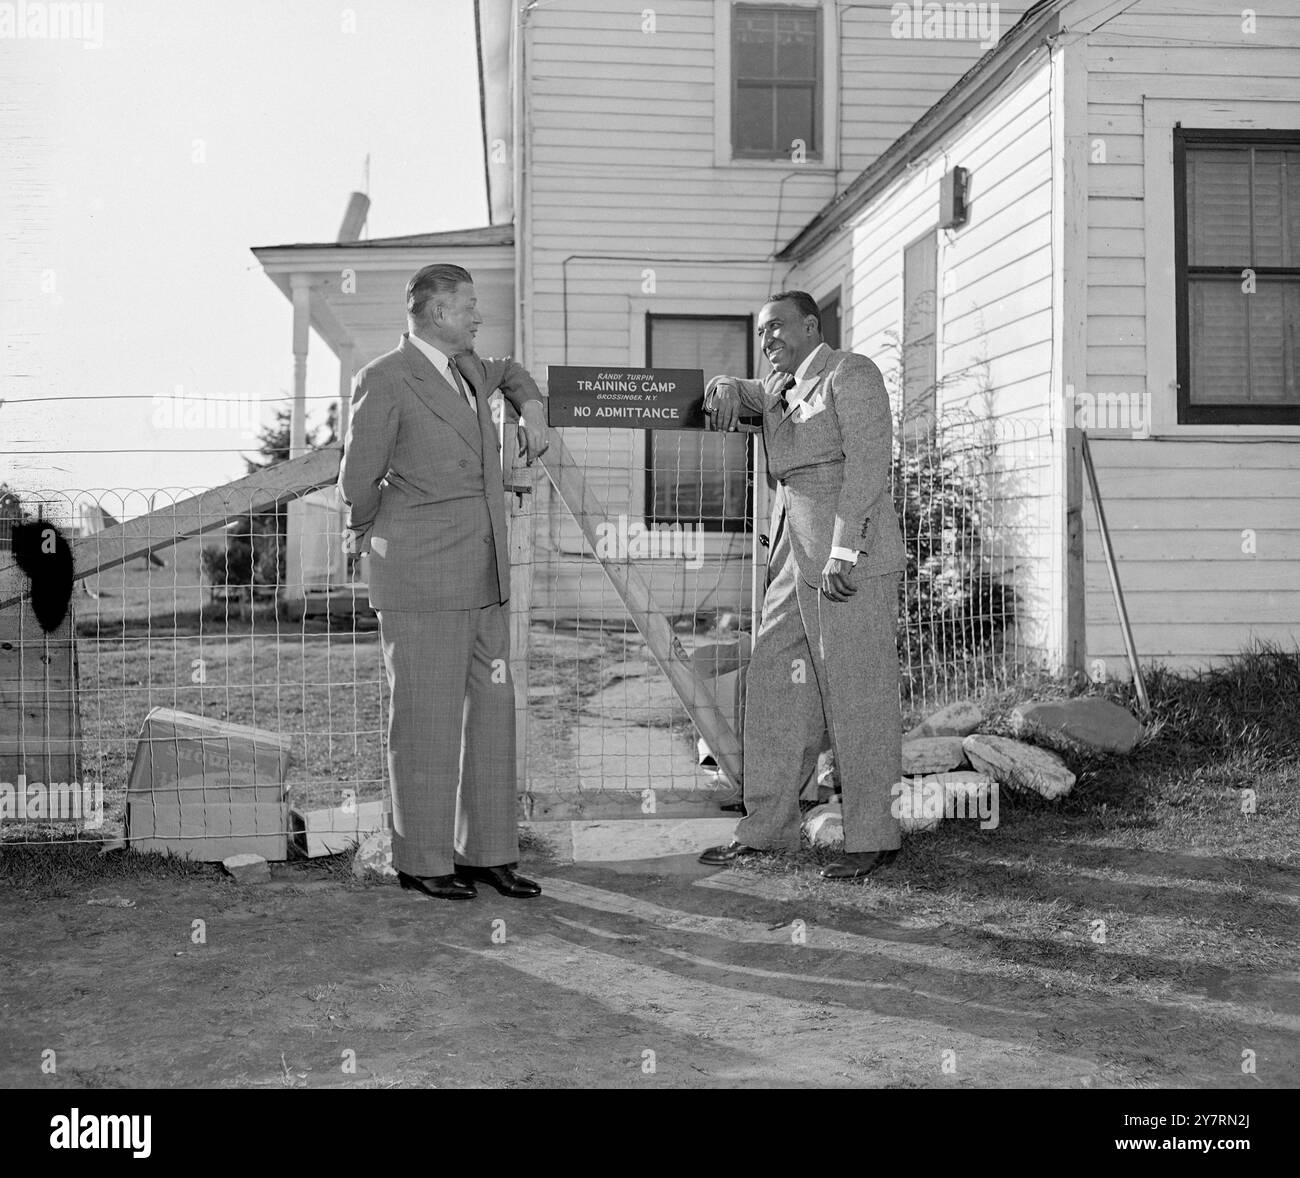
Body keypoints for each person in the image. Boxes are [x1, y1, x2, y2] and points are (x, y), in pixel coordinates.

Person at [339, 263, 548, 901]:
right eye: (469, 308)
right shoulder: (384, 378)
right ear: (434, 313)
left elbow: (509, 369)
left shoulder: (468, 368)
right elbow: (357, 482)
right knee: (426, 721)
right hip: (421, 577)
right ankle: (423, 861)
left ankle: (487, 853)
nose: (478, 318)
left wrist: (531, 407)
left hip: (484, 575)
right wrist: (384, 537)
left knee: (491, 715)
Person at [698, 290, 906, 880]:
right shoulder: (780, 388)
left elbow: (869, 462)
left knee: (858, 696)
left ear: (812, 326)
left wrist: (847, 547)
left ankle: (873, 836)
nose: (768, 340)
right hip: (791, 554)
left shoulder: (850, 373)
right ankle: (766, 832)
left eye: (779, 328)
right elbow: (746, 392)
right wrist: (721, 385)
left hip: (849, 555)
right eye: (761, 332)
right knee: (773, 686)